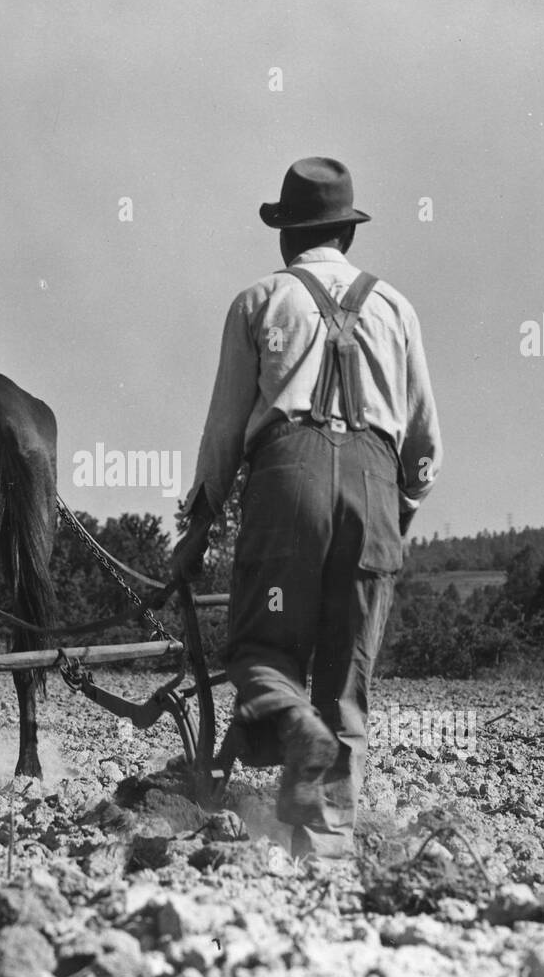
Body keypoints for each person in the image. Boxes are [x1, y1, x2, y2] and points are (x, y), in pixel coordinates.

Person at [172, 156, 442, 859]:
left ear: (286, 236)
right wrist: (393, 516)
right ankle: (324, 848)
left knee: (261, 649)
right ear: (346, 235)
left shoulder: (258, 301)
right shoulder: (397, 307)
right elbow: (424, 445)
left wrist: (197, 530)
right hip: (377, 485)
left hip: (286, 477)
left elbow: (224, 433)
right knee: (347, 675)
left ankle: (292, 722)